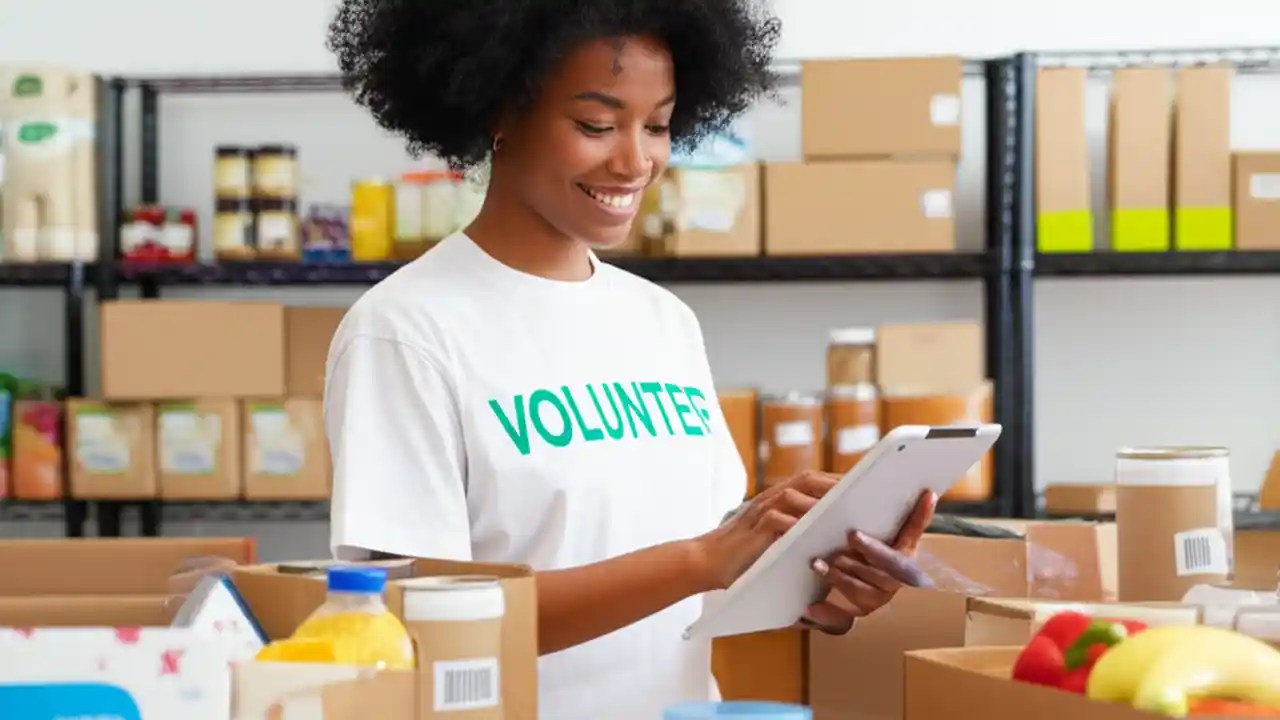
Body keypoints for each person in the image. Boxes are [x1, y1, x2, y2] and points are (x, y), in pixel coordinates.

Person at [322, 2, 939, 718]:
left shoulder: (663, 322)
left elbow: (710, 588)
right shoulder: (406, 331)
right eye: (596, 125)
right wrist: (699, 559)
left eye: (657, 126)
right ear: (498, 109)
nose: (635, 161)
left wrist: (826, 592)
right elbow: (414, 620)